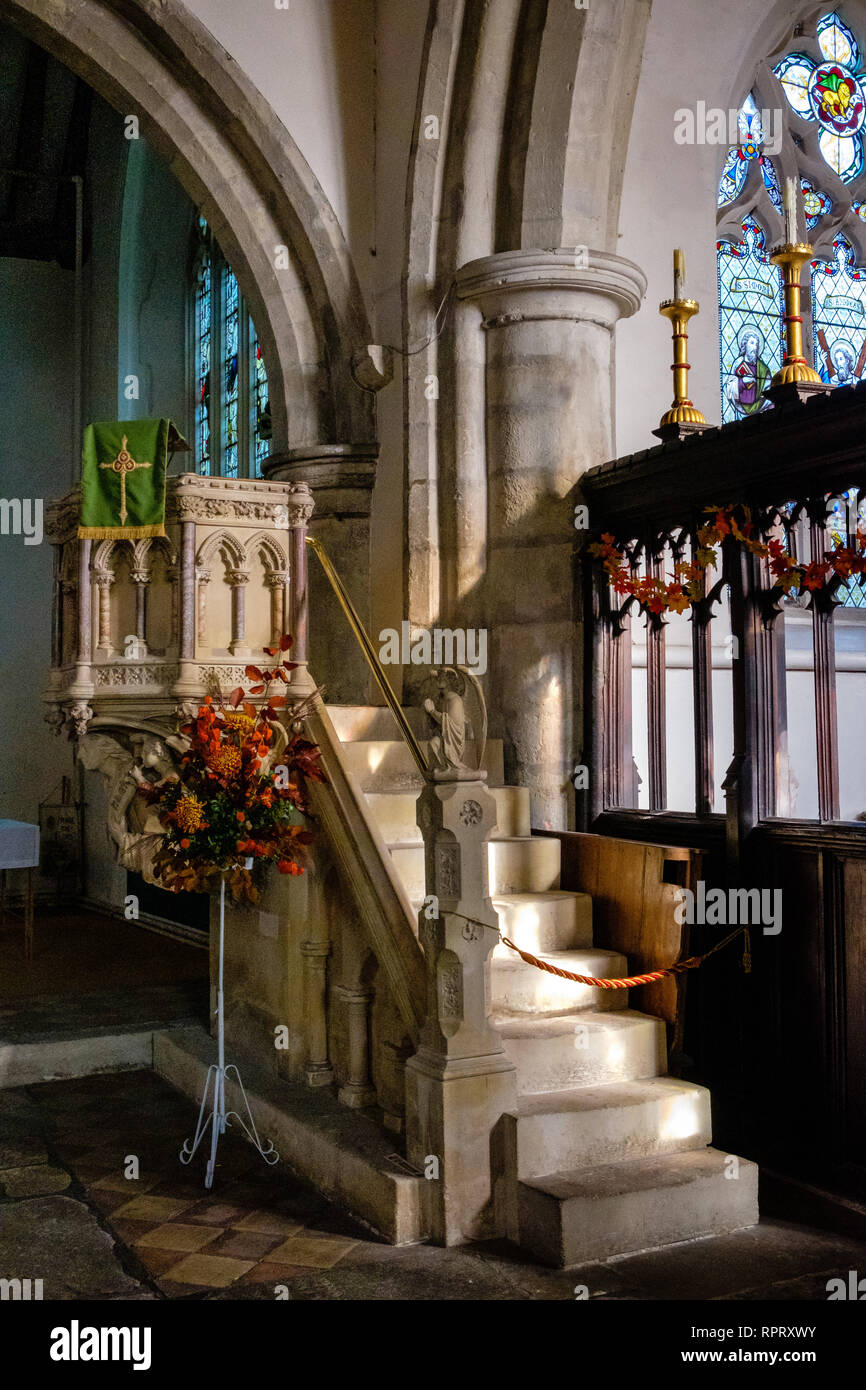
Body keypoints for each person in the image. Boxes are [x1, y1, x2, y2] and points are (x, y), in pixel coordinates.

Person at [726, 326, 772, 417]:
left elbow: (769, 392)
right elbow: (729, 388)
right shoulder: (738, 363)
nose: (755, 347)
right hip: (740, 411)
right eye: (751, 343)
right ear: (744, 344)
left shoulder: (763, 369)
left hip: (760, 409)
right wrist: (742, 382)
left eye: (756, 344)